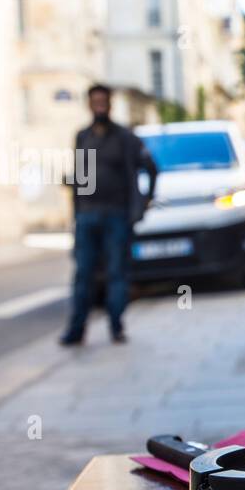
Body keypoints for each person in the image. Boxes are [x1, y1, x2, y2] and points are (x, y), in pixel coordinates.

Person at [59, 83, 157, 346]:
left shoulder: (125, 137)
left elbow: (151, 167)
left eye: (103, 101)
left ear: (110, 104)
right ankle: (77, 329)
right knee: (83, 273)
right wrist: (73, 188)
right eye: (95, 102)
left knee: (116, 272)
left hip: (117, 215)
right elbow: (82, 174)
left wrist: (145, 202)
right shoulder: (83, 137)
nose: (99, 106)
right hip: (87, 215)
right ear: (89, 105)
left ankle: (116, 325)